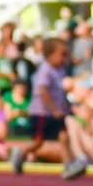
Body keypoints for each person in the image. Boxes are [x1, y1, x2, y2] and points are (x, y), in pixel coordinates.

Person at [10, 38, 73, 175]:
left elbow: (60, 91)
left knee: (64, 137)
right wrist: (54, 109)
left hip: (56, 112)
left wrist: (65, 106)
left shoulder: (60, 70)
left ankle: (68, 164)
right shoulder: (45, 70)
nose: (64, 58)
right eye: (61, 54)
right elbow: (43, 91)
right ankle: (21, 152)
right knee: (38, 141)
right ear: (50, 55)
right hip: (42, 113)